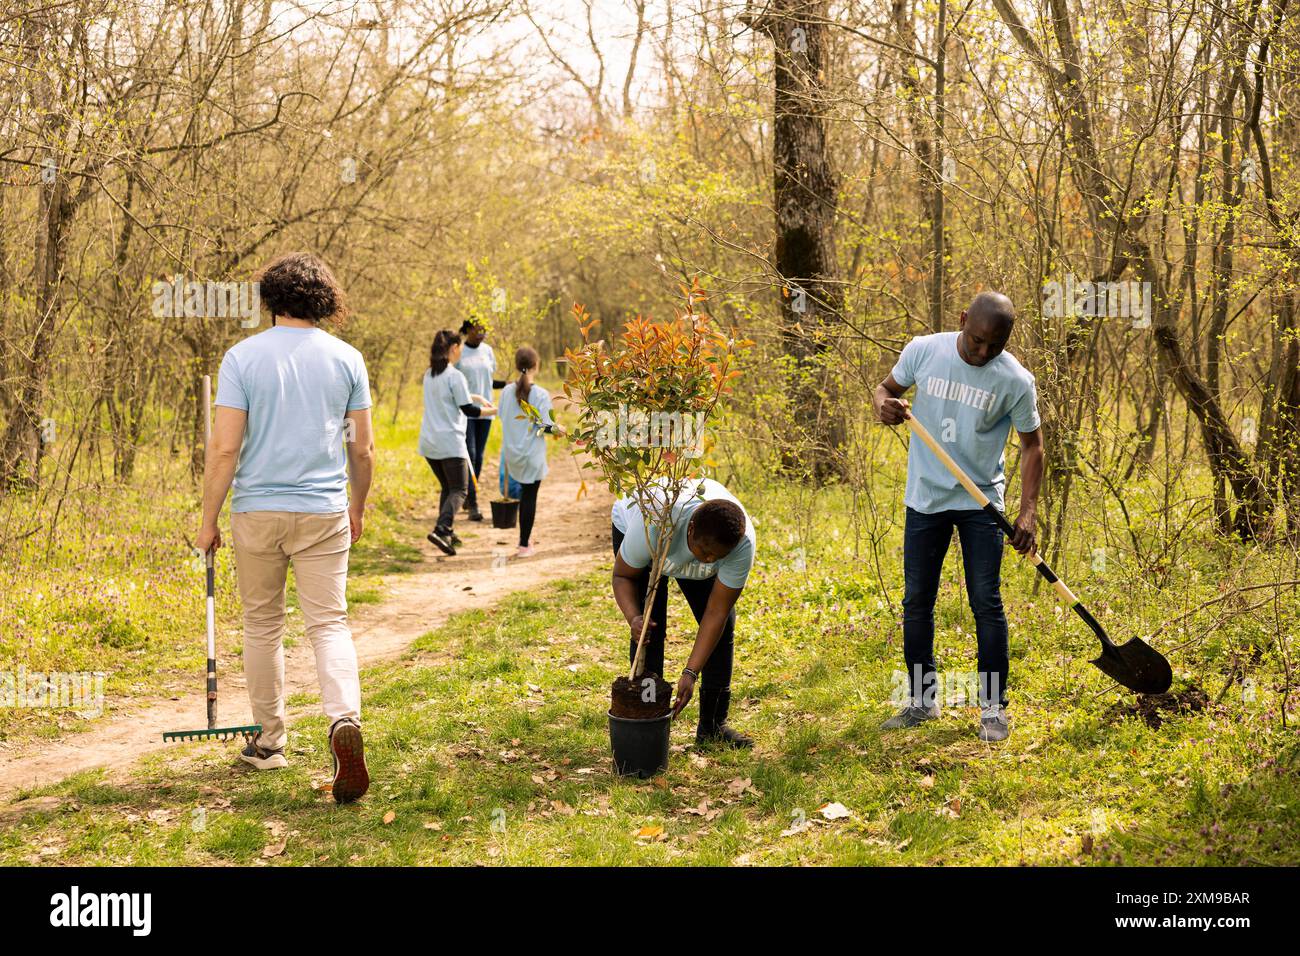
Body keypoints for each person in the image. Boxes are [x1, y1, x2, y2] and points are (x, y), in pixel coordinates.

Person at [195, 252, 374, 803]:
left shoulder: (242, 358)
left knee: (263, 624)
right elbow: (361, 448)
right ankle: (343, 719)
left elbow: (225, 447)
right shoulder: (347, 359)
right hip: (324, 510)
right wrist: (358, 506)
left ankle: (269, 744)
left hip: (259, 511)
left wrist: (207, 521)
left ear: (270, 299)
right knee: (328, 622)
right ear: (324, 300)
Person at [874, 290, 1043, 742]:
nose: (984, 352)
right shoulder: (923, 350)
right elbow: (885, 390)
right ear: (963, 320)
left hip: (981, 503)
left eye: (995, 345)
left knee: (986, 603)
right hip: (925, 498)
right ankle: (921, 701)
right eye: (976, 341)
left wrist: (1027, 512)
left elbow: (1033, 446)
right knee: (917, 602)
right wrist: (884, 407)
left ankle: (993, 708)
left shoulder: (1015, 381)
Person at [611, 478, 756, 748]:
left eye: (717, 556)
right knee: (649, 630)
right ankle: (647, 726)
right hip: (652, 537)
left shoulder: (740, 545)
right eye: (705, 552)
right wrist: (634, 617)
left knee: (722, 630)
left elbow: (716, 612)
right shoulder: (652, 523)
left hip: (684, 542)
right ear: (690, 529)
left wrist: (690, 673)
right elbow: (622, 576)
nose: (710, 560)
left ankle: (712, 727)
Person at [420, 329, 495, 555]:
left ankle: (447, 532)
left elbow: (450, 399)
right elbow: (468, 409)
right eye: (459, 347)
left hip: (429, 444)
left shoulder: (429, 374)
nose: (461, 351)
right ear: (453, 348)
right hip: (449, 443)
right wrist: (495, 410)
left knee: (448, 487)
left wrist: (473, 398)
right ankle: (442, 529)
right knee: (460, 490)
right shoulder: (454, 376)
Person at [497, 346, 566, 557]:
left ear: (517, 366)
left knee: (523, 496)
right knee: (529, 498)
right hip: (531, 455)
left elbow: (502, 415)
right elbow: (545, 426)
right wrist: (559, 429)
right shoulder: (541, 394)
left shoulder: (506, 392)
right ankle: (524, 544)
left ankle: (524, 541)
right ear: (536, 365)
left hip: (511, 454)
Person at [456, 319, 507, 522]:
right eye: (478, 331)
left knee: (480, 456)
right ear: (468, 330)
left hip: (486, 411)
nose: (481, 335)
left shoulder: (488, 350)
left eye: (484, 331)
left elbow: (488, 381)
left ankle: (469, 494)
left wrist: (508, 384)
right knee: (472, 455)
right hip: (466, 411)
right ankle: (474, 504)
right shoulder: (459, 351)